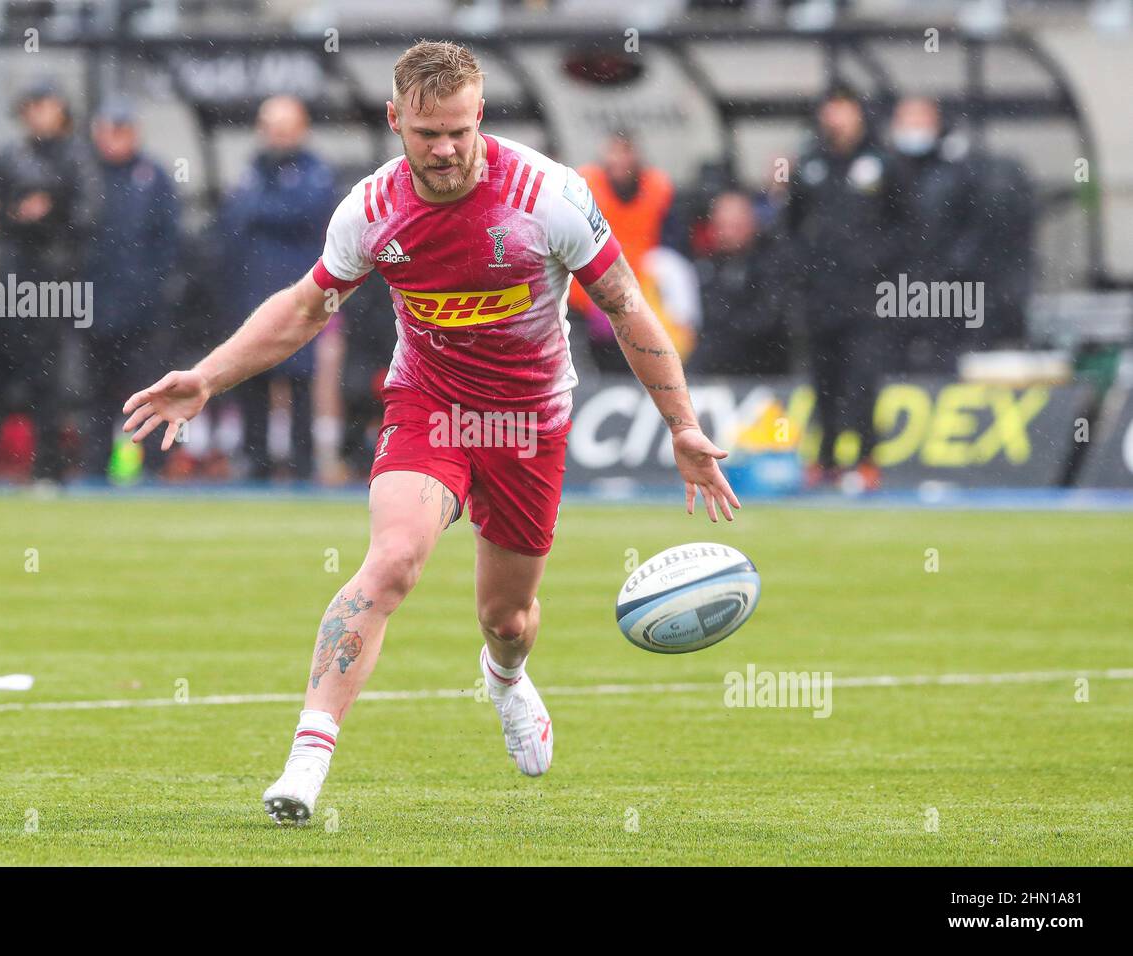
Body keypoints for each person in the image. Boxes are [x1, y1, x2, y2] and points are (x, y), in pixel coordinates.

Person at [121, 41, 740, 825]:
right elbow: (307, 308)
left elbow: (624, 305)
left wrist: (682, 426)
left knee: (507, 618)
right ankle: (306, 764)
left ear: (479, 114)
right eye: (425, 134)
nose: (444, 149)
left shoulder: (548, 195)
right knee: (392, 562)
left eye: (458, 130)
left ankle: (506, 678)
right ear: (395, 121)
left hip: (529, 421)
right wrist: (207, 377)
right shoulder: (371, 211)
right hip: (430, 407)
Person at [0, 78, 101, 483]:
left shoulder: (76, 156)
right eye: (28, 106)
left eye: (41, 104)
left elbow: (87, 217)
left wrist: (48, 212)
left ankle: (49, 470)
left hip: (50, 286)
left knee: (47, 381)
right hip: (5, 282)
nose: (34, 114)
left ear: (60, 108)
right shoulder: (10, 154)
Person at [783, 83, 904, 491]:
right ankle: (827, 459)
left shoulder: (883, 164)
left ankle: (868, 459)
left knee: (863, 379)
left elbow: (909, 227)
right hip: (820, 297)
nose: (834, 117)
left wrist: (879, 264)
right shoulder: (812, 165)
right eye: (829, 109)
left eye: (843, 108)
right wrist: (803, 271)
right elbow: (792, 226)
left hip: (870, 297)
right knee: (824, 381)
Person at [217, 96, 335, 480]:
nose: (277, 135)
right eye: (270, 126)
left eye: (285, 126)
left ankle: (302, 467)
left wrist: (260, 210)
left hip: (301, 296)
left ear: (301, 128)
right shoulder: (253, 169)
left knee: (299, 380)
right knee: (251, 376)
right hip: (251, 294)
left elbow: (302, 211)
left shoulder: (315, 171)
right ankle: (254, 465)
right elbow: (234, 214)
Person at [80, 99, 181, 479]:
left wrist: (152, 293)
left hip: (143, 309)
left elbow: (168, 243)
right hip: (95, 304)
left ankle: (151, 465)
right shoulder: (85, 175)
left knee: (147, 388)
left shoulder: (152, 177)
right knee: (96, 392)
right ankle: (94, 464)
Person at [566, 132, 677, 372]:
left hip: (640, 295)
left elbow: (671, 249)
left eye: (625, 152)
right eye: (614, 152)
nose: (620, 161)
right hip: (586, 296)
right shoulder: (585, 185)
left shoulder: (658, 189)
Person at [888, 96, 983, 373]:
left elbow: (973, 228)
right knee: (895, 361)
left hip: (948, 289)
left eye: (922, 120)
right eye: (908, 121)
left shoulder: (957, 174)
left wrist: (950, 269)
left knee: (945, 360)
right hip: (893, 290)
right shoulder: (884, 172)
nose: (915, 128)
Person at [690, 190, 793, 377]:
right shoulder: (705, 265)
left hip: (760, 367)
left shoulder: (771, 262)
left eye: (734, 226)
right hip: (711, 367)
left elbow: (767, 319)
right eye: (721, 226)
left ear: (752, 224)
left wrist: (727, 326)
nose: (726, 234)